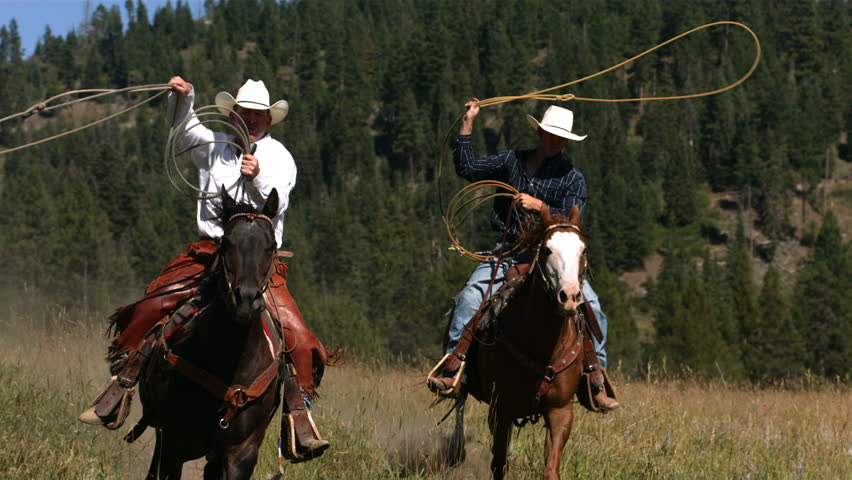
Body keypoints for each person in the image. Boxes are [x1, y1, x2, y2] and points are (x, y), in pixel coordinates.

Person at [78, 77, 331, 460]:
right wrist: (185, 97)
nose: (251, 120)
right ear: (233, 115)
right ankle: (124, 377)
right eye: (244, 113)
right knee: (152, 306)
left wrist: (257, 175)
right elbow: (182, 134)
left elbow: (279, 198)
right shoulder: (213, 145)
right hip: (210, 250)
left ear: (268, 119)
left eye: (258, 115)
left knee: (299, 336)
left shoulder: (279, 156)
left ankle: (299, 413)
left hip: (261, 259)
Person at [428, 100, 619, 411]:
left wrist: (541, 208)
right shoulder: (512, 161)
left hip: (555, 259)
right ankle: (454, 371)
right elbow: (467, 168)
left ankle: (594, 380)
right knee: (470, 297)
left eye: (562, 138)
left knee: (592, 306)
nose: (556, 141)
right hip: (508, 253)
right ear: (540, 133)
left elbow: (572, 223)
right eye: (551, 134)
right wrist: (468, 122)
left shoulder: (573, 178)